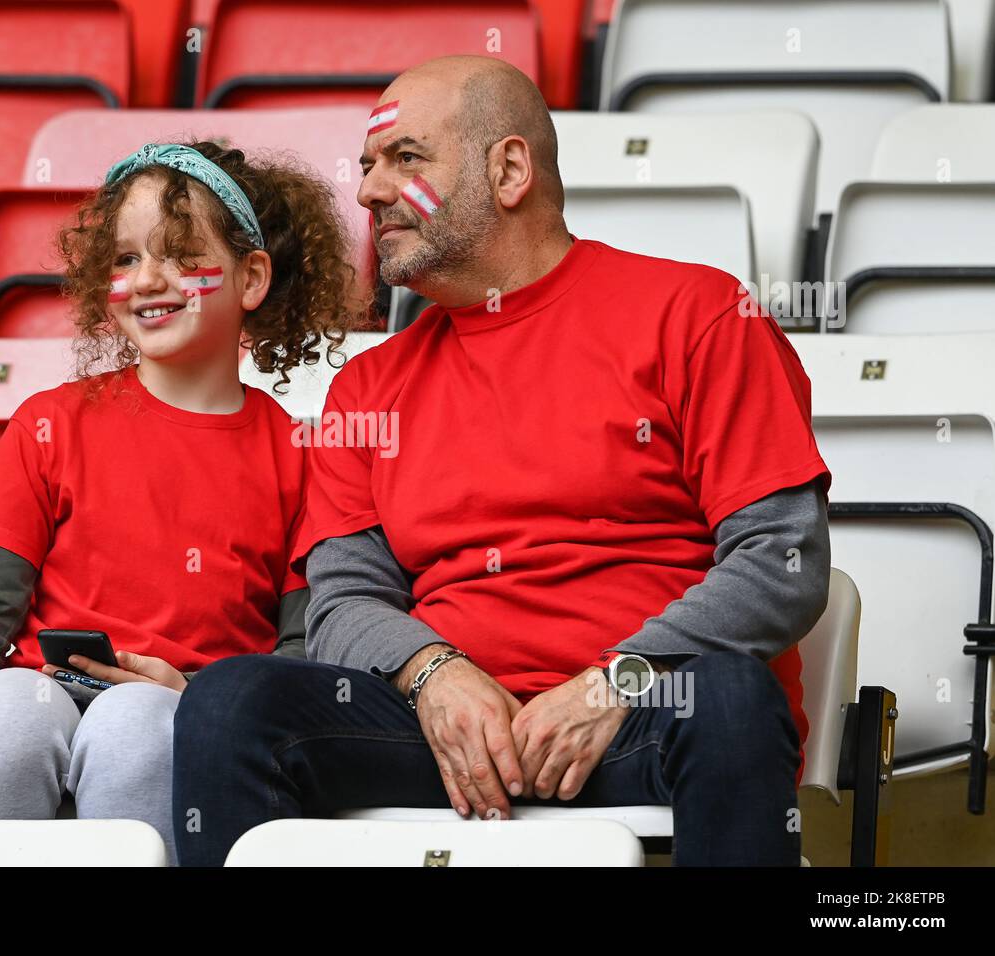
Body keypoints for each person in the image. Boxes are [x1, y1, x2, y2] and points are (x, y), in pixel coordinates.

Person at [171, 56, 832, 866]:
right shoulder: (368, 385)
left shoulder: (697, 315)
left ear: (509, 169)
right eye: (369, 167)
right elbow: (340, 603)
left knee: (729, 694)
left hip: (640, 723)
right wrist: (432, 673)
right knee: (229, 701)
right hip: (440, 738)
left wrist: (613, 683)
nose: (370, 192)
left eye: (405, 159)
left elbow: (782, 560)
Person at [0, 141, 356, 865]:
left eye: (181, 255)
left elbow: (303, 647)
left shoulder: (299, 456)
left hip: (185, 711)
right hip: (38, 690)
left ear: (250, 278)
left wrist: (200, 691)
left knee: (134, 723)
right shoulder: (52, 422)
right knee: (1, 716)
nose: (148, 279)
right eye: (124, 259)